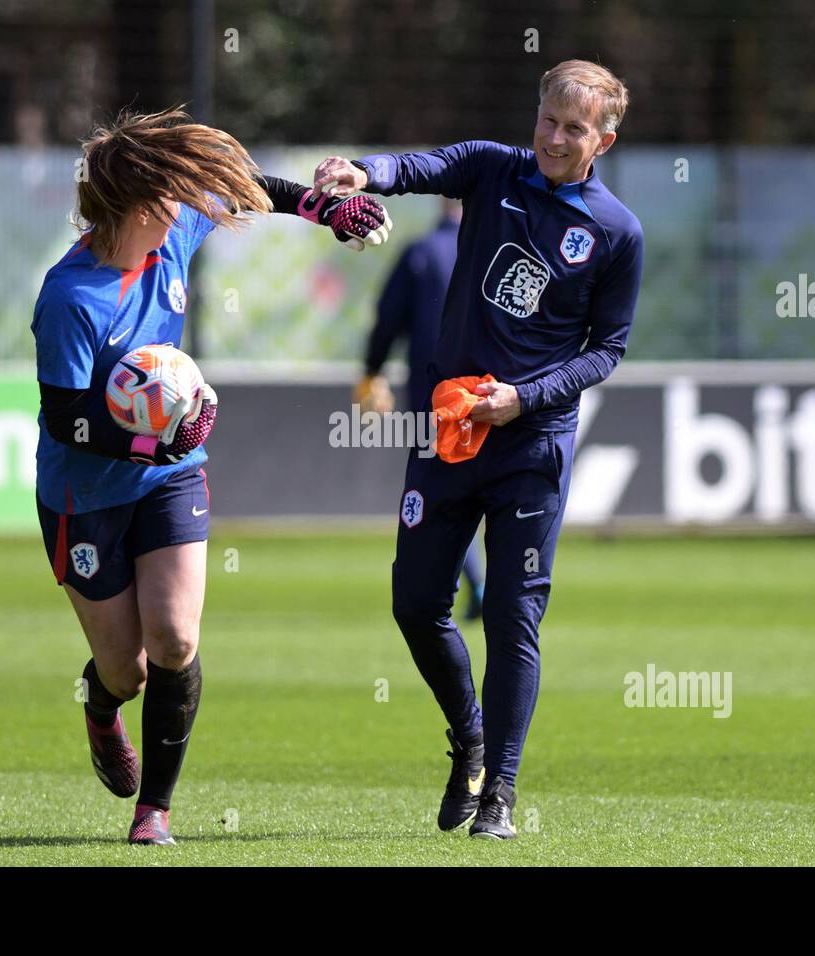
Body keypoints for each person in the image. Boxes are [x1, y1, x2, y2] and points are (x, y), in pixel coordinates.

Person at [33, 108, 392, 845]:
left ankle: (153, 814)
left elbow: (244, 184)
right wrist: (148, 443)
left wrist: (329, 210)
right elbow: (65, 417)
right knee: (126, 670)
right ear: (134, 210)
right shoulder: (70, 298)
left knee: (173, 639)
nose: (182, 214)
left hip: (171, 475)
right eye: (167, 204)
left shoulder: (172, 234)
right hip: (86, 494)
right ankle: (100, 711)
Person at [313, 59, 643, 839]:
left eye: (575, 128)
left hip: (531, 444)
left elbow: (609, 349)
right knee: (415, 604)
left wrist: (523, 398)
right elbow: (418, 167)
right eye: (549, 120)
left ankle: (501, 792)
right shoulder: (493, 171)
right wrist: (361, 172)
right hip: (450, 433)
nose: (555, 138)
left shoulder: (617, 231)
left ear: (604, 138)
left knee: (510, 615)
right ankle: (470, 738)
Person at [355, 198, 486, 619]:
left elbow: (388, 317)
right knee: (491, 489)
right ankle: (497, 587)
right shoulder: (494, 250)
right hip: (493, 397)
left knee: (439, 493)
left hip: (434, 401)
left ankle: (461, 584)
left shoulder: (421, 253)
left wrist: (372, 371)